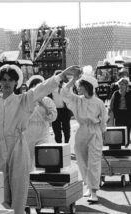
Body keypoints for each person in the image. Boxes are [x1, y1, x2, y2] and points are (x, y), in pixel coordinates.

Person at [0, 64, 80, 214]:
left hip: (17, 146)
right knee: (0, 190)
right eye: (4, 79)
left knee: (18, 190)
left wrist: (61, 76)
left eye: (10, 80)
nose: (7, 83)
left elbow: (41, 89)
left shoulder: (23, 100)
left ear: (16, 82)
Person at [61, 66, 108, 202]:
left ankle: (94, 191)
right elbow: (65, 92)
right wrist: (73, 79)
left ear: (87, 87)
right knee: (82, 161)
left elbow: (103, 120)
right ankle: (88, 186)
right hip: (82, 132)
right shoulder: (78, 100)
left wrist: (103, 133)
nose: (78, 88)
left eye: (80, 86)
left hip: (94, 132)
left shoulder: (98, 103)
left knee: (93, 161)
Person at [24, 75, 57, 172]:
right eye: (34, 86)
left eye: (39, 87)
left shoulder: (48, 100)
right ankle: (29, 182)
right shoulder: (25, 99)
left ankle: (42, 182)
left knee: (42, 157)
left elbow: (53, 116)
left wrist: (43, 104)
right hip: (28, 132)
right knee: (28, 160)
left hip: (42, 132)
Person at [51, 70, 73, 143]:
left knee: (66, 129)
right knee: (56, 130)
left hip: (65, 110)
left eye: (61, 76)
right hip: (55, 110)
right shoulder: (52, 87)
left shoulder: (66, 86)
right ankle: (59, 145)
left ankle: (66, 143)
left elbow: (71, 97)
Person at [108, 77, 131, 145]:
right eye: (120, 84)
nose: (121, 86)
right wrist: (109, 113)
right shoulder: (115, 93)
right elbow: (111, 104)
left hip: (128, 114)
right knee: (118, 128)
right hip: (118, 114)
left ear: (126, 85)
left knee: (127, 128)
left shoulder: (130, 93)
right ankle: (120, 143)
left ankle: (126, 143)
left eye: (123, 84)